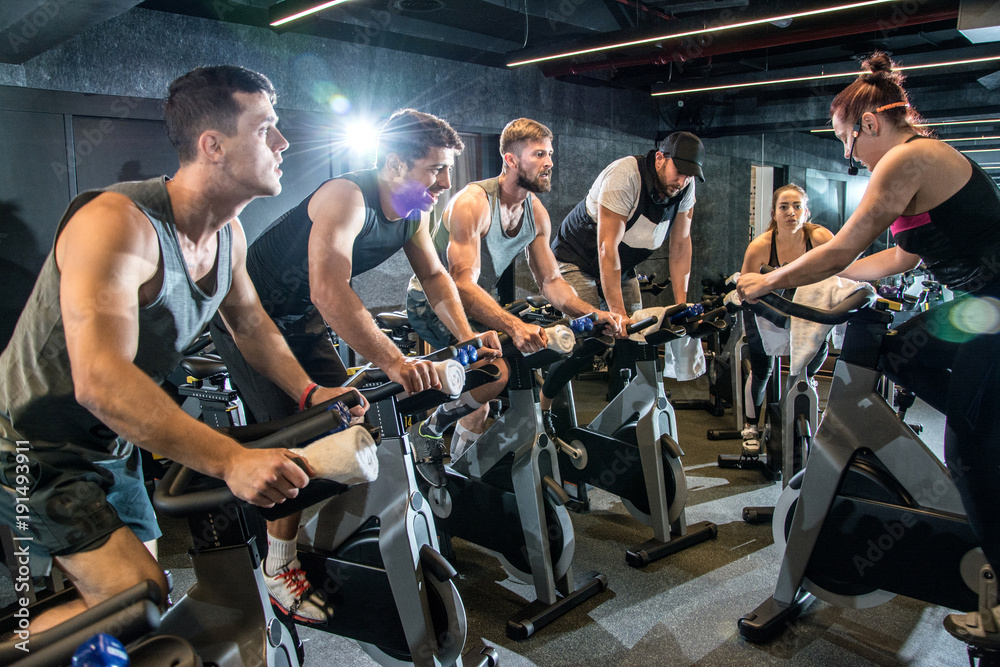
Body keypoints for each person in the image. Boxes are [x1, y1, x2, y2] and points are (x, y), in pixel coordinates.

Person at [0, 66, 364, 633]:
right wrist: (230, 460)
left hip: (111, 442)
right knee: (136, 600)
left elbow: (251, 326)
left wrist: (311, 391)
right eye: (266, 128)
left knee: (146, 601)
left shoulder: (229, 236)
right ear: (212, 145)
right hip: (28, 445)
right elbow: (100, 379)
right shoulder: (119, 224)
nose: (284, 142)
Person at [735, 52, 1000, 650]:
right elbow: (896, 258)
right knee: (905, 351)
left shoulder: (910, 157)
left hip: (994, 305)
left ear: (871, 123)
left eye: (847, 141)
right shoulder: (921, 165)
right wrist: (838, 285)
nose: (849, 155)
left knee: (968, 451)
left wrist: (774, 281)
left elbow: (844, 244)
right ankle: (980, 423)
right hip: (981, 303)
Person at [210, 108, 503, 623]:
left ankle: (332, 530)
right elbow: (329, 289)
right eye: (435, 168)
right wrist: (394, 360)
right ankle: (278, 567)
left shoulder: (414, 210)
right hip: (250, 319)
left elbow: (437, 279)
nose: (445, 182)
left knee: (348, 424)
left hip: (301, 320)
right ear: (393, 164)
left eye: (448, 170)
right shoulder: (346, 196)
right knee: (299, 435)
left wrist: (468, 337)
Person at [406, 118, 623, 453]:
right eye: (538, 154)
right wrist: (513, 325)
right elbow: (461, 283)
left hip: (476, 300)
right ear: (510, 159)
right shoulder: (473, 203)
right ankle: (433, 426)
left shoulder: (535, 213)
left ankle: (467, 473)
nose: (549, 161)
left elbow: (551, 281)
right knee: (494, 373)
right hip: (431, 301)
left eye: (549, 153)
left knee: (501, 385)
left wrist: (592, 312)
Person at [550, 131, 705, 396]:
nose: (682, 180)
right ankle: (547, 399)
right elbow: (606, 248)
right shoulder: (626, 176)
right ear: (659, 158)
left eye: (688, 175)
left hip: (622, 264)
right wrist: (617, 314)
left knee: (636, 337)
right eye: (678, 171)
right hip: (576, 258)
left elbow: (680, 246)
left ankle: (621, 410)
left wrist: (680, 304)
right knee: (593, 339)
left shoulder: (685, 187)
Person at [738, 184, 833, 456]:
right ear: (774, 213)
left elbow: (839, 270)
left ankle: (801, 405)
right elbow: (745, 291)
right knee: (762, 369)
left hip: (804, 309)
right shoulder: (761, 246)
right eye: (784, 207)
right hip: (765, 310)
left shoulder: (820, 237)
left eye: (797, 206)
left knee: (810, 362)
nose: (791, 212)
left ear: (806, 212)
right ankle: (751, 426)